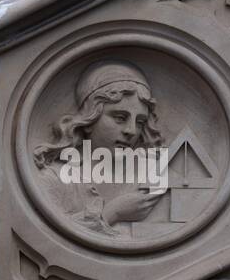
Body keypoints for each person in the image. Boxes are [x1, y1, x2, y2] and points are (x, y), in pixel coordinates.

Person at [32, 59, 166, 237]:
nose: (131, 131)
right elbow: (46, 240)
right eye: (119, 117)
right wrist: (113, 213)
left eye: (140, 122)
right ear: (89, 120)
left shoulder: (145, 179)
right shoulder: (55, 180)